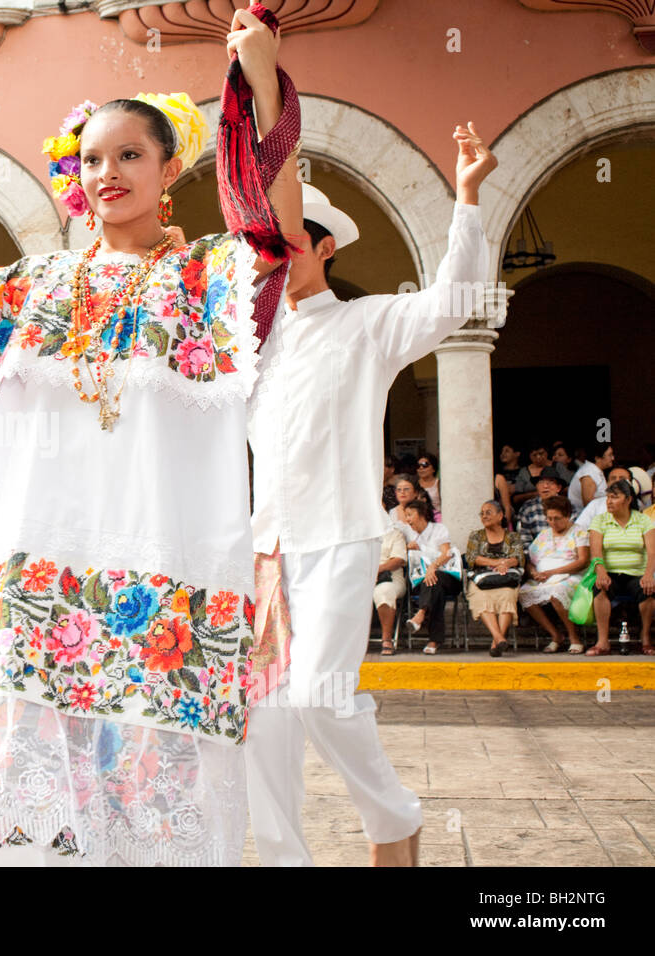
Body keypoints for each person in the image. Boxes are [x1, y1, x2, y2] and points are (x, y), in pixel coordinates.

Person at [0, 5, 303, 866]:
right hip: (44, 562)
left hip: (166, 564)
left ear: (170, 171)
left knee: (149, 816)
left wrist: (263, 79)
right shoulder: (35, 285)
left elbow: (277, 227)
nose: (106, 173)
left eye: (130, 155)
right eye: (92, 159)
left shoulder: (209, 277)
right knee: (35, 816)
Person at [245, 120, 495, 866]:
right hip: (263, 554)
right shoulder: (250, 345)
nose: (278, 258)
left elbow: (452, 301)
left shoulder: (367, 324)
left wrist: (468, 199)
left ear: (325, 247)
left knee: (322, 697)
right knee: (261, 718)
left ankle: (394, 818)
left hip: (340, 539)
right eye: (268, 245)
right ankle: (285, 858)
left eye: (295, 241)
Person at [586, 478, 655, 656]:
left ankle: (645, 637)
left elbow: (652, 552)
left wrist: (648, 575)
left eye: (614, 497)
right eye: (608, 497)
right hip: (610, 573)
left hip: (636, 573)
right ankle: (603, 641)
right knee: (600, 587)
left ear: (628, 499)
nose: (609, 501)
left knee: (648, 589)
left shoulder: (643, 520)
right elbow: (596, 552)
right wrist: (601, 572)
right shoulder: (599, 520)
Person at [521, 496, 590, 654]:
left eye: (557, 518)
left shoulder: (579, 532)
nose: (553, 522)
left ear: (567, 516)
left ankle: (574, 637)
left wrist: (552, 572)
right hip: (545, 577)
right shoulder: (544, 535)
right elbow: (530, 560)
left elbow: (583, 561)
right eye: (549, 519)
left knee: (557, 592)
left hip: (571, 575)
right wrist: (534, 572)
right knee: (523, 593)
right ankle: (555, 635)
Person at [402, 500, 463, 654]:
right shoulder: (410, 534)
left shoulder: (438, 529)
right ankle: (433, 640)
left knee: (435, 579)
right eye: (406, 516)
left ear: (421, 514)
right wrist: (407, 547)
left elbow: (446, 553)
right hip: (425, 581)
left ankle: (421, 615)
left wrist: (432, 567)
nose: (408, 520)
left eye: (410, 515)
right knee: (434, 587)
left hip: (448, 575)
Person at [465, 500, 524, 657]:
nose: (484, 516)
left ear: (500, 515)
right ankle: (499, 637)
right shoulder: (476, 536)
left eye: (488, 512)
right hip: (481, 578)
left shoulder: (513, 536)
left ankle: (496, 642)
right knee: (481, 597)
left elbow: (518, 557)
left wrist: (506, 564)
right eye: (482, 513)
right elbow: (472, 558)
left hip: (506, 576)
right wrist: (496, 563)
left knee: (507, 595)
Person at [375, 516, 408, 657]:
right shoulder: (359, 535)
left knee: (384, 591)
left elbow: (398, 560)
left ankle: (387, 639)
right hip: (363, 577)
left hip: (390, 577)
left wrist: (377, 570)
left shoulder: (395, 534)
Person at [577, 465, 632, 532]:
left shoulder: (637, 504)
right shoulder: (595, 504)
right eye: (613, 478)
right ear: (607, 483)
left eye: (622, 478)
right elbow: (579, 528)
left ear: (630, 483)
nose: (617, 481)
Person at [517, 470, 565, 542]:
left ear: (558, 488)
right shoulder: (528, 508)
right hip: (536, 551)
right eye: (541, 482)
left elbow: (574, 534)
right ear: (536, 486)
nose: (545, 486)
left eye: (551, 482)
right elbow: (523, 538)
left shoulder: (567, 506)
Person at [568, 441, 613, 516]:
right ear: (598, 458)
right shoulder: (588, 474)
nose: (612, 458)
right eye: (610, 455)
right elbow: (588, 505)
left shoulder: (595, 471)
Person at [416, 451, 441, 521]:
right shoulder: (414, 484)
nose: (421, 468)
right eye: (418, 465)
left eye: (425, 465)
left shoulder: (439, 484)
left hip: (436, 520)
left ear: (433, 468)